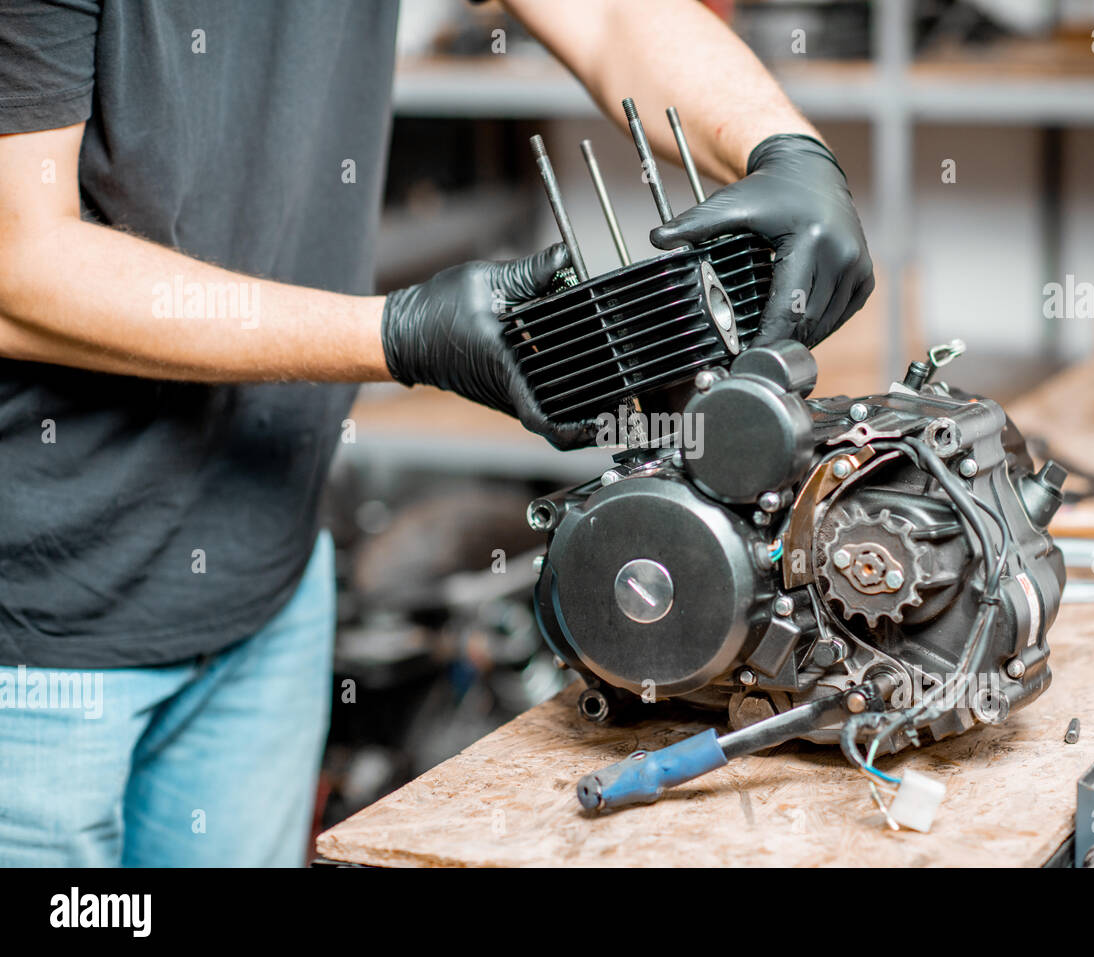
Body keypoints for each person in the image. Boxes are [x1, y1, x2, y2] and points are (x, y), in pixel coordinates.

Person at [0, 0, 873, 866]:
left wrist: (787, 147)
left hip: (269, 569)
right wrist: (394, 335)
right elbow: (20, 261)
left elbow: (608, 15)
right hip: (41, 633)